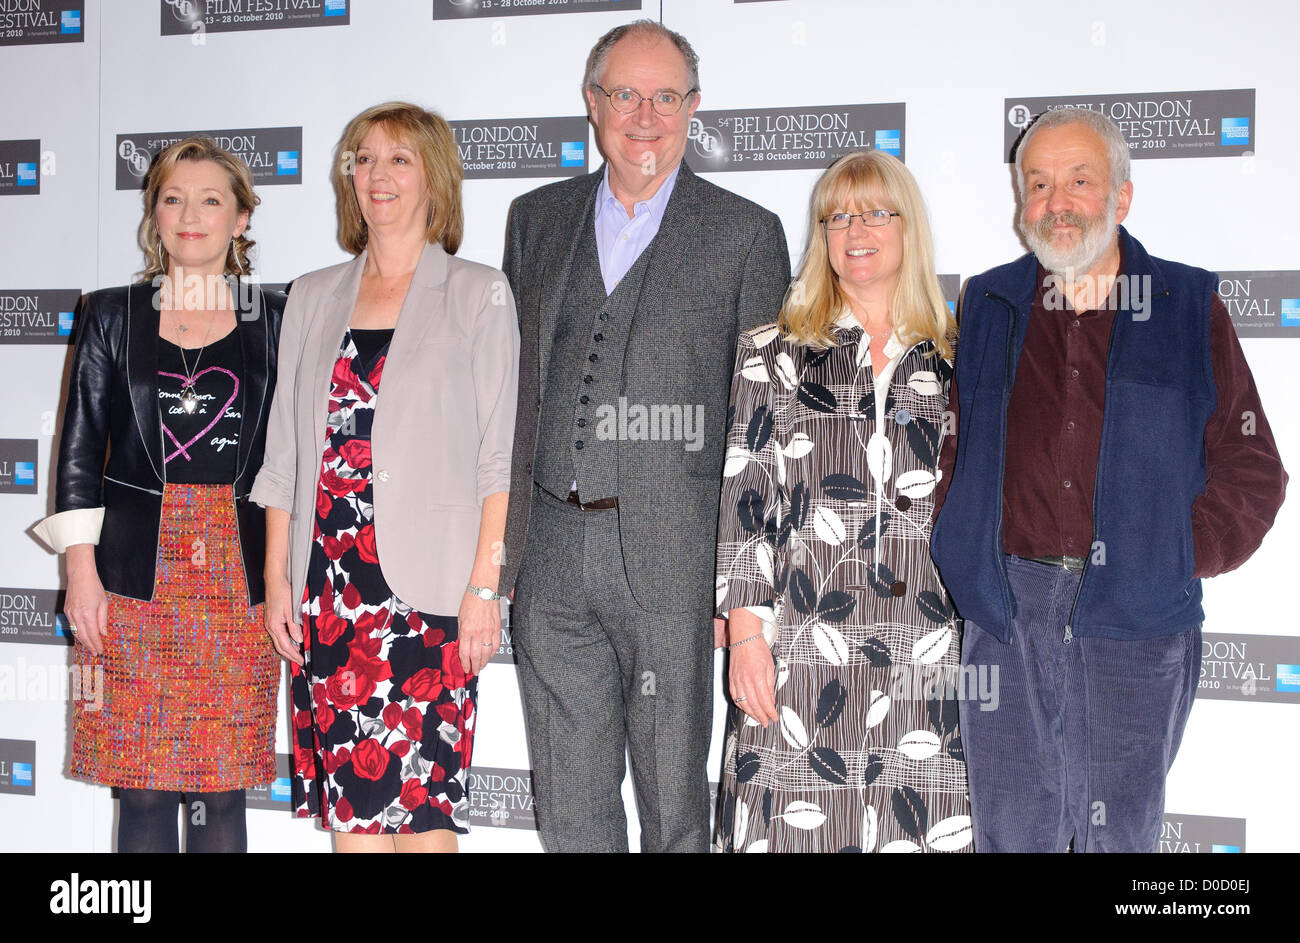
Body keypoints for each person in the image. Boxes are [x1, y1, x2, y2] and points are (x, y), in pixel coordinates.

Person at [930, 107, 1288, 852]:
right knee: (1012, 835)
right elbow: (956, 451)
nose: (1056, 202)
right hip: (1006, 612)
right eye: (1038, 183)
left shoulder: (1188, 305)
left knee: (1120, 837)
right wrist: (964, 548)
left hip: (1137, 614)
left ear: (1121, 197)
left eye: (1079, 181)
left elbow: (1253, 465)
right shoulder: (989, 303)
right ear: (1020, 201)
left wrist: (1169, 554)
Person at [497, 19, 789, 853]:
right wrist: (501, 562)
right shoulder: (534, 220)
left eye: (666, 96)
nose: (645, 115)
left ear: (693, 109)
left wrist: (740, 601)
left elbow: (761, 430)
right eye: (626, 93)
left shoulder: (745, 233)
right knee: (570, 804)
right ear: (593, 103)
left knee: (673, 805)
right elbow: (514, 398)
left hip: (676, 559)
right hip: (550, 558)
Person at [252, 102, 518, 853]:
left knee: (424, 822)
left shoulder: (478, 292)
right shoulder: (310, 294)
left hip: (432, 594)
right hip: (331, 593)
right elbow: (283, 460)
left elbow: (497, 458)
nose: (378, 174)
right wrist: (278, 580)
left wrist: (484, 587)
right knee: (355, 822)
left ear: (434, 177)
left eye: (399, 158)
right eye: (363, 159)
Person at [34, 136, 285, 853]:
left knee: (222, 785)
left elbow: (291, 457)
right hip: (132, 569)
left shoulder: (276, 316)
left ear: (242, 218)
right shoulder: (113, 312)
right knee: (139, 782)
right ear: (154, 214)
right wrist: (81, 572)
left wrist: (279, 575)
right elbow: (79, 450)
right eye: (173, 198)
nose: (190, 214)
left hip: (238, 574)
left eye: (211, 199)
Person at [714, 150, 969, 853]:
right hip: (802, 644)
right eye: (837, 215)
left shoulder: (961, 355)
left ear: (907, 226)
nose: (855, 228)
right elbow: (747, 497)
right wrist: (744, 634)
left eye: (875, 210)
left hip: (933, 651)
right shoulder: (773, 354)